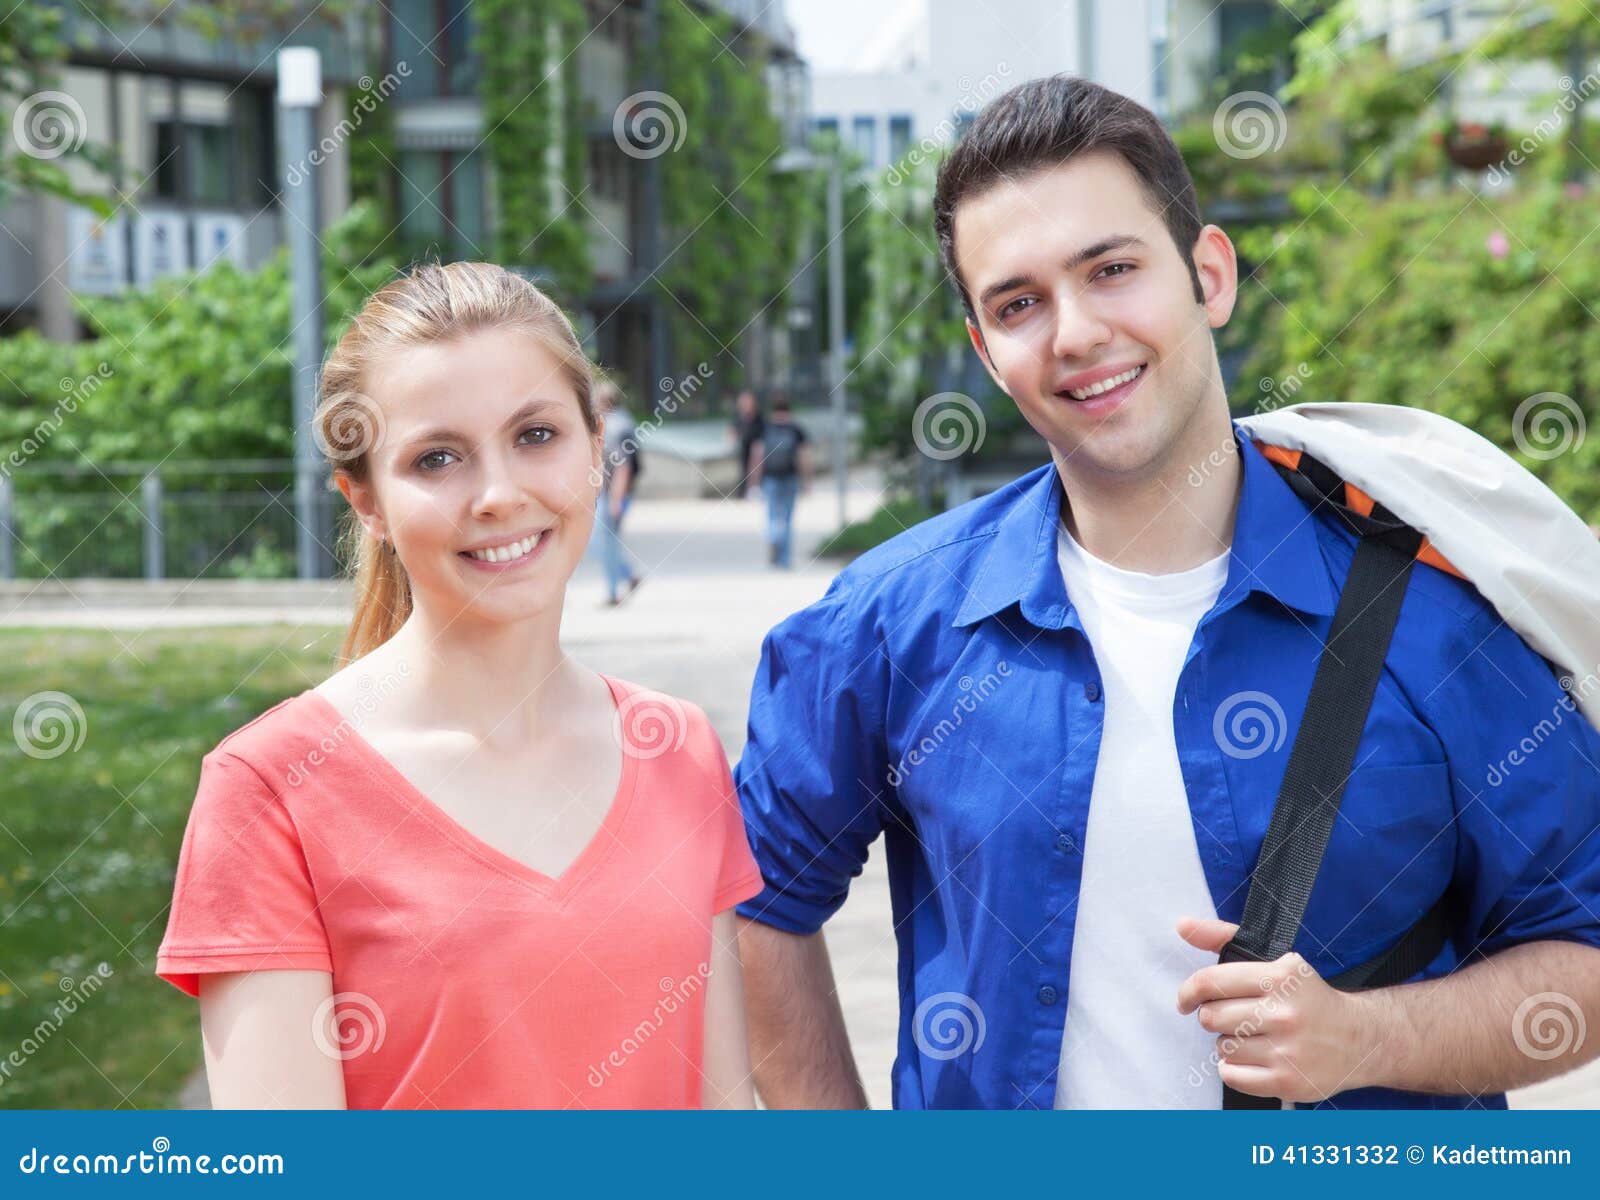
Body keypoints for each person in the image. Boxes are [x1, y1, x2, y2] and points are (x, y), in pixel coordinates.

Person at [731, 76, 1600, 1110]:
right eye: (1017, 304)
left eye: (1111, 270)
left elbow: (1581, 948)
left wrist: (1367, 1038)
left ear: (1209, 275)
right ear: (984, 351)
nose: (1075, 333)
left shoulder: (1433, 605)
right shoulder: (889, 622)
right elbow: (750, 898)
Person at [156, 263, 762, 1109]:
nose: (500, 495)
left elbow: (727, 1118)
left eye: (537, 435)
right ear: (365, 500)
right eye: (437, 458)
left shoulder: (678, 746)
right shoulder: (269, 791)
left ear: (596, 445)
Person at [592, 377, 644, 606]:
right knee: (605, 542)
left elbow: (622, 466)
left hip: (612, 494)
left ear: (605, 401)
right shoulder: (625, 421)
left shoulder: (614, 425)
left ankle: (614, 591)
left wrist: (615, 499)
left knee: (603, 543)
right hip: (616, 493)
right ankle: (627, 576)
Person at [749, 398, 810, 568]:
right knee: (788, 519)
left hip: (770, 478)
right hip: (791, 478)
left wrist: (753, 482)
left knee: (772, 515)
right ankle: (785, 559)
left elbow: (757, 457)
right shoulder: (796, 429)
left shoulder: (765, 429)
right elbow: (804, 458)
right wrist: (807, 481)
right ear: (789, 410)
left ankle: (774, 537)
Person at [728, 389, 765, 499]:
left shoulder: (758, 417)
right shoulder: (738, 417)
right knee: (744, 468)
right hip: (744, 446)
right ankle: (743, 491)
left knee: (757, 456)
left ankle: (755, 487)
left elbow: (764, 431)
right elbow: (732, 430)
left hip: (757, 447)